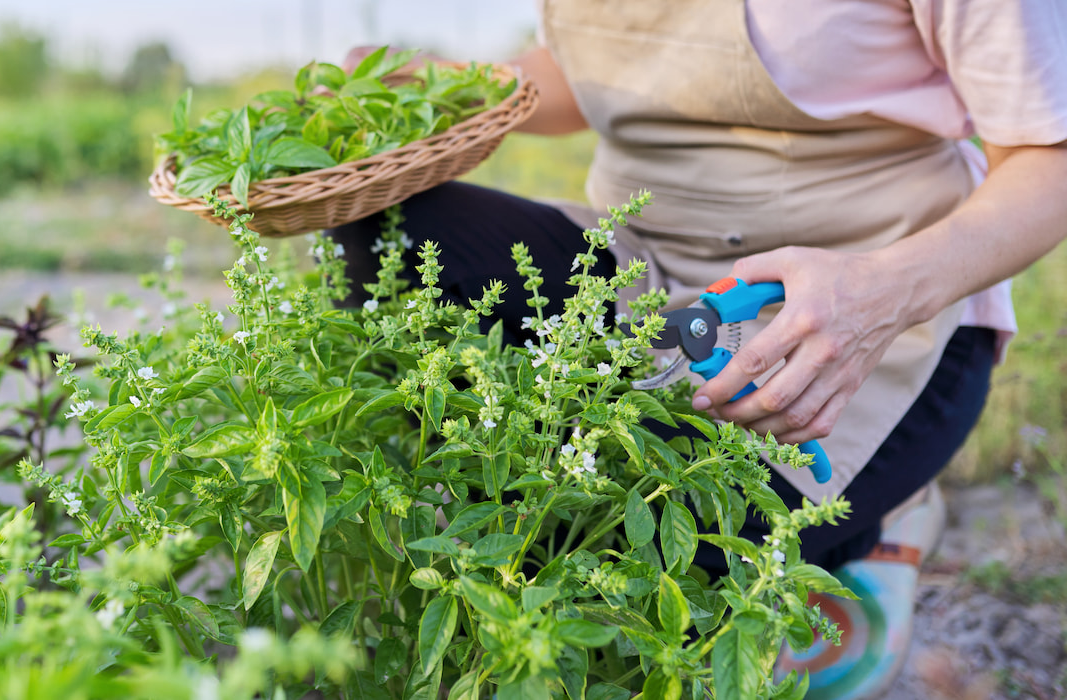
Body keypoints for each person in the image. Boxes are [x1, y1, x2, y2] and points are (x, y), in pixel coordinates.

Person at [331, 1, 1067, 697]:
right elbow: (599, 67)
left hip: (863, 296)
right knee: (389, 240)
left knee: (654, 555)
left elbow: (1049, 155)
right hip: (636, 261)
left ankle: (877, 517)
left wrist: (883, 294)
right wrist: (445, 82)